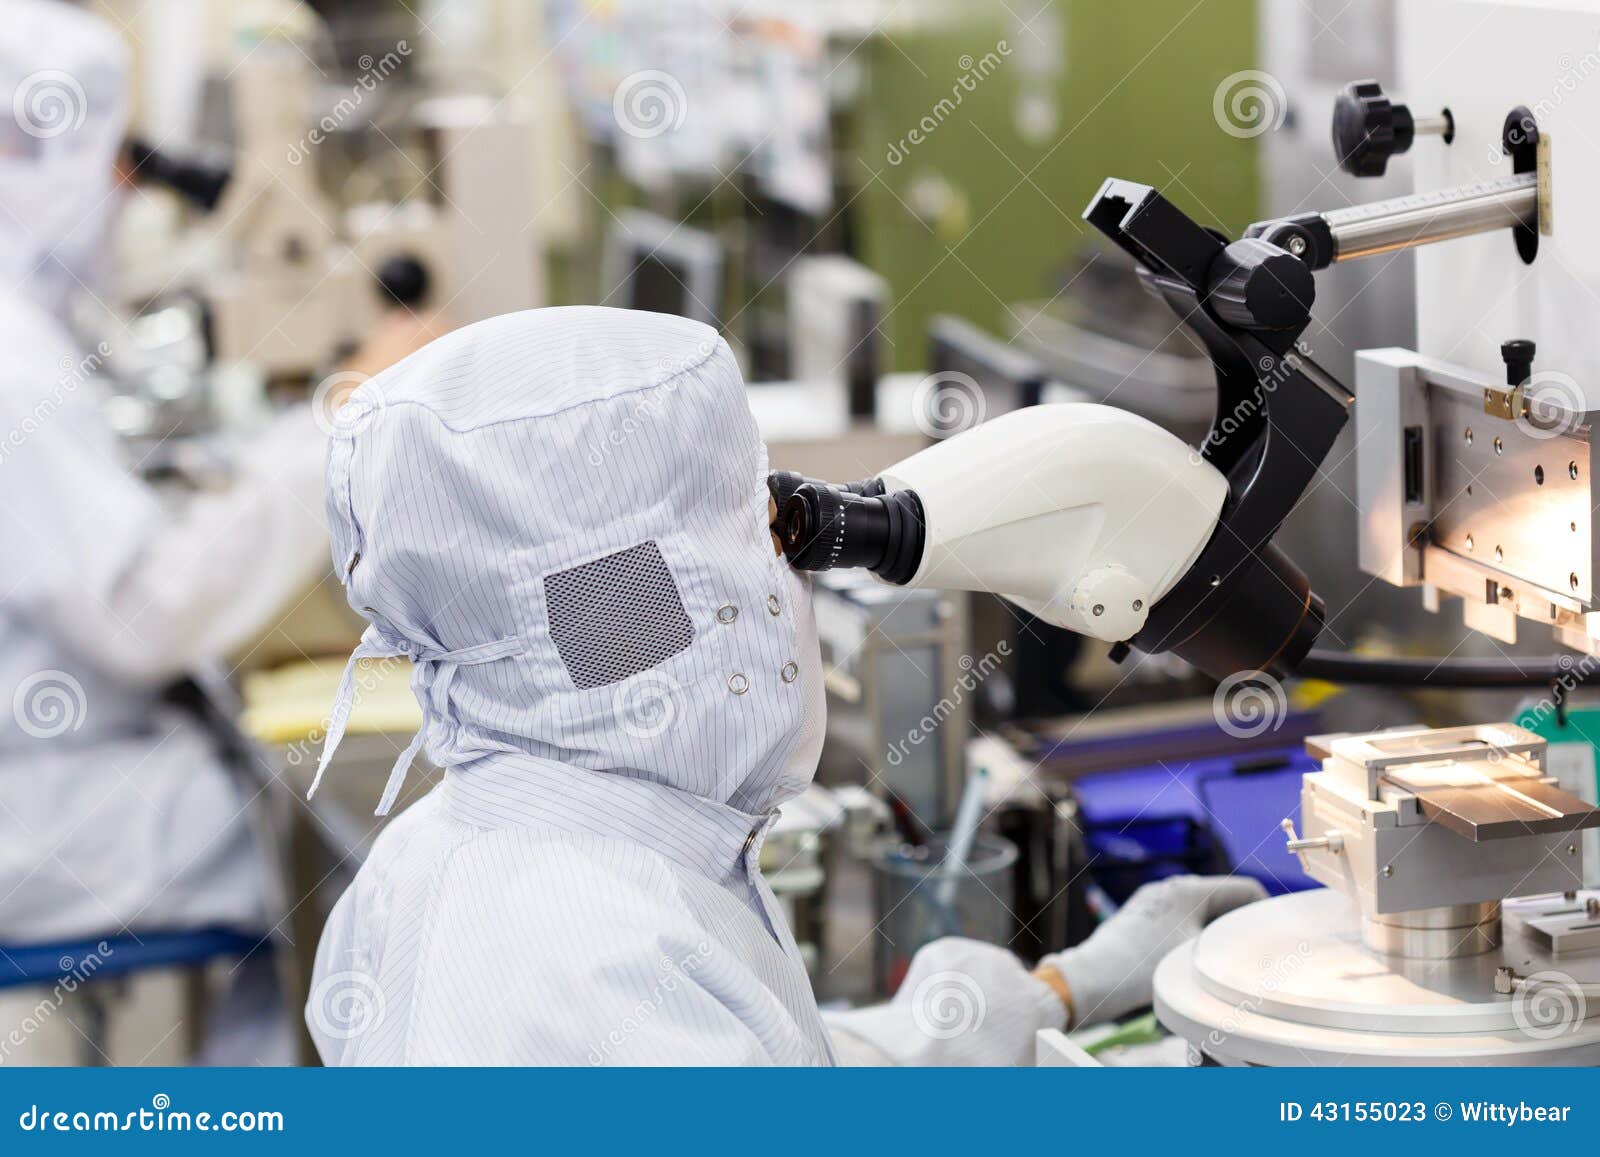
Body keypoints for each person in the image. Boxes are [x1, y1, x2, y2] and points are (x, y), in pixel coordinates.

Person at [305, 305, 1264, 1065]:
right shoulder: (610, 957)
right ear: (661, 598)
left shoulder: (445, 857)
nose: (788, 568)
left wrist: (1061, 990)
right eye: (762, 527)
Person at [0, 0, 330, 946]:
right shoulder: (11, 356)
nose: (123, 187)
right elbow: (145, 615)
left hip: (48, 753)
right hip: (35, 801)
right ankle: (253, 1102)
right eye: (111, 156)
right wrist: (339, 426)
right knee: (312, 841)